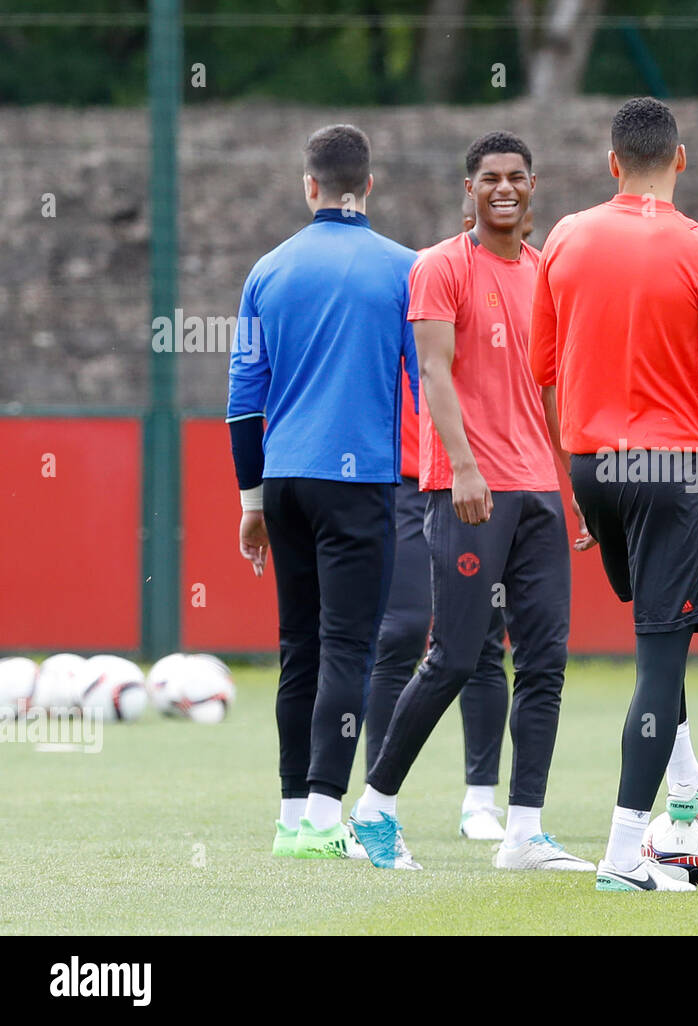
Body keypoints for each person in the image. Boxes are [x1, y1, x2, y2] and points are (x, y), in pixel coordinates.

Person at [529, 97, 698, 892]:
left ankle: (687, 781)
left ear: (611, 162)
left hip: (595, 468)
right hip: (671, 468)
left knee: (655, 637)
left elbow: (543, 365)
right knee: (661, 655)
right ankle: (624, 853)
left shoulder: (563, 235)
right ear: (682, 160)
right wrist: (680, 371)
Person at [350, 131, 592, 872]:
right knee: (454, 656)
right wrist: (462, 466)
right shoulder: (438, 267)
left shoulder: (548, 271)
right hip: (469, 490)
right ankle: (374, 810)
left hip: (540, 492)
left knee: (545, 661)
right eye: (490, 178)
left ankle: (523, 832)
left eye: (517, 177)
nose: (505, 189)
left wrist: (573, 487)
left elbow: (552, 389)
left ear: (533, 184)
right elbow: (434, 372)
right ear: (470, 188)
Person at [227, 124, 420, 859]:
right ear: (367, 186)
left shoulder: (267, 271)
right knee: (349, 647)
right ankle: (321, 815)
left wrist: (250, 502)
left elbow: (245, 397)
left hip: (282, 482)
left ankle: (288, 817)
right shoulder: (404, 268)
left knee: (297, 646)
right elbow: (424, 384)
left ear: (309, 186)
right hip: (359, 480)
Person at [362, 192, 540, 844]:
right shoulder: (430, 278)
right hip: (416, 480)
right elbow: (418, 375)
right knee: (408, 633)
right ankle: (376, 797)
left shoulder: (518, 282)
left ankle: (480, 801)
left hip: (490, 480)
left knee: (486, 642)